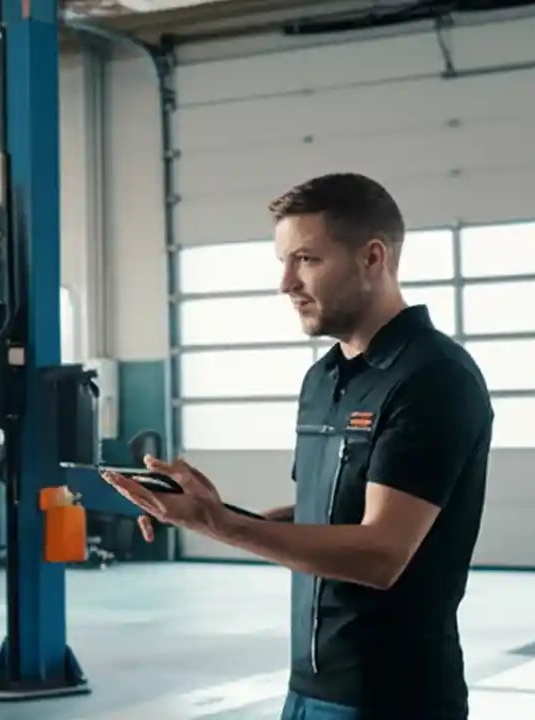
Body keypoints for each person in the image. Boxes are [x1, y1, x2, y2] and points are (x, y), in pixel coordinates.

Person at [104, 173, 493, 719]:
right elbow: (324, 514)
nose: (287, 282)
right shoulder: (324, 380)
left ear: (372, 258)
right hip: (310, 689)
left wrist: (223, 525)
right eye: (283, 262)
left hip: (394, 698)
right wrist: (203, 512)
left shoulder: (432, 378)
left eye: (306, 259)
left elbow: (382, 554)